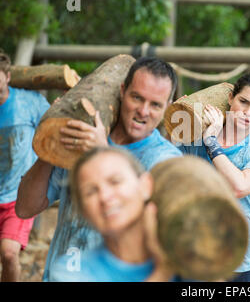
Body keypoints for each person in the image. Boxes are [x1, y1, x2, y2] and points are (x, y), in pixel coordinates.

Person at [16, 57, 182, 281]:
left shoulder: (166, 161)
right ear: (122, 91)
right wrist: (52, 141)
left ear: (168, 107)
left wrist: (102, 154)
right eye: (137, 98)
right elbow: (25, 208)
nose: (144, 111)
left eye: (155, 105)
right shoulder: (82, 136)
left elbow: (158, 236)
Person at [177, 73, 250, 282]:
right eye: (243, 102)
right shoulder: (195, 139)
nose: (248, 113)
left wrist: (211, 143)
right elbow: (167, 165)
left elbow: (239, 187)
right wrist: (174, 117)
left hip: (243, 255)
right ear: (231, 98)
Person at [50, 147, 172, 282]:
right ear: (83, 211)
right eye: (91, 191)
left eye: (115, 181)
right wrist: (163, 271)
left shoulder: (189, 257)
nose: (105, 197)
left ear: (146, 185)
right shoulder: (71, 272)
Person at [0, 51, 50, 281]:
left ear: (7, 77)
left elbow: (53, 127)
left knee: (9, 254)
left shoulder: (28, 103)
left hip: (18, 196)